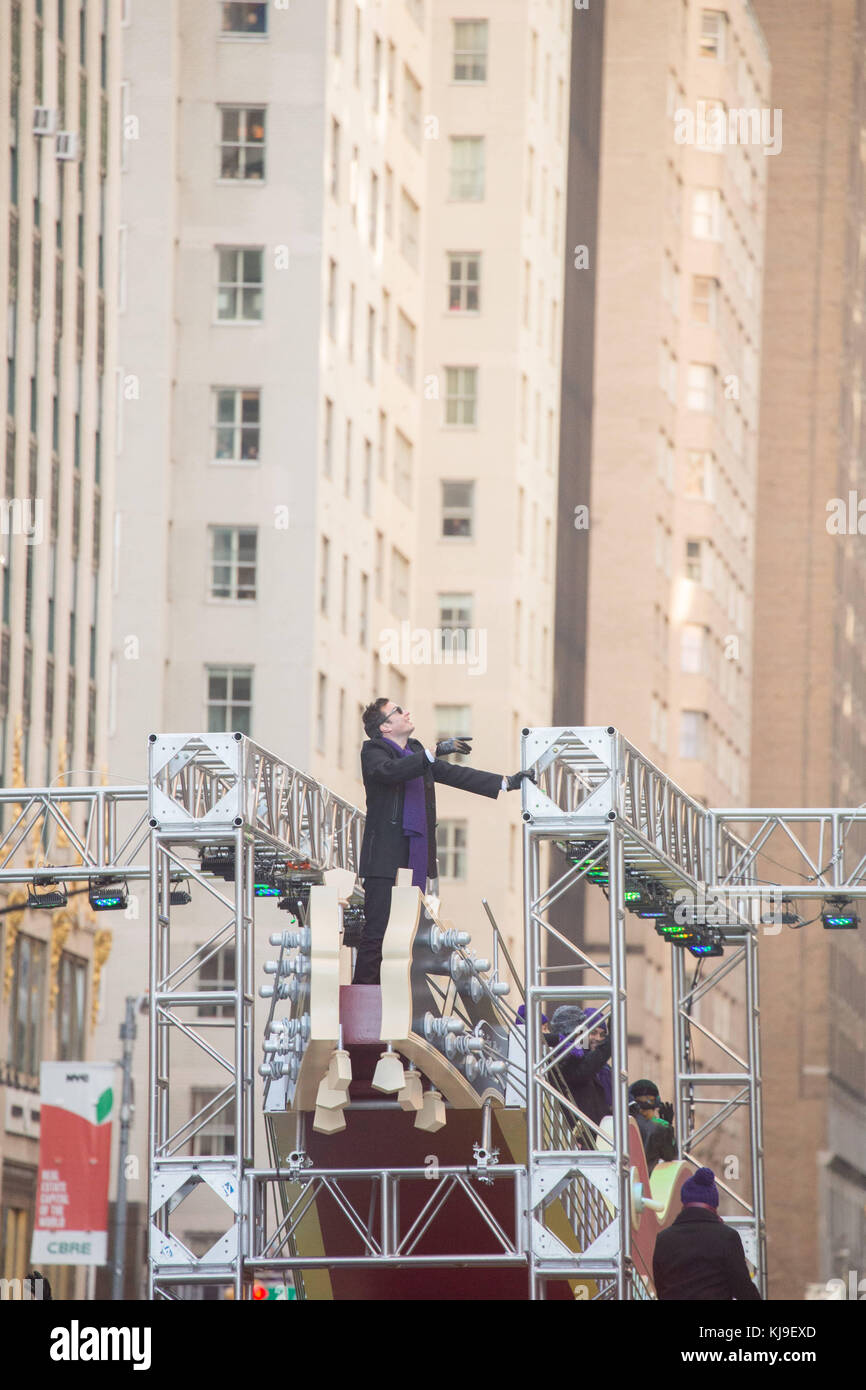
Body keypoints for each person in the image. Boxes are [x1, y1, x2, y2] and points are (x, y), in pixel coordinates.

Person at [354, 697, 535, 984]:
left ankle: (394, 998)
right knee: (376, 933)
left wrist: (505, 782)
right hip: (384, 860)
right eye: (398, 711)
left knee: (406, 935)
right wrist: (433, 753)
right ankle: (363, 996)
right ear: (386, 726)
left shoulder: (414, 752)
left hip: (412, 857)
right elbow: (389, 773)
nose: (407, 711)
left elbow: (453, 774)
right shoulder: (373, 752)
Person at [652, 1167, 762, 1300]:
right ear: (713, 1204)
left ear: (685, 1202)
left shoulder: (664, 1239)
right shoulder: (726, 1237)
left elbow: (661, 1289)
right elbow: (743, 1290)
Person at [545, 1004, 612, 1131]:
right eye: (589, 1032)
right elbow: (589, 1065)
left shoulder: (577, 1056)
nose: (596, 1038)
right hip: (577, 1136)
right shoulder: (564, 1059)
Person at [628, 1078, 677, 1172]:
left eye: (649, 1100)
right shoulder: (661, 1128)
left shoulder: (661, 1128)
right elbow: (670, 1156)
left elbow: (669, 1155)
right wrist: (668, 1127)